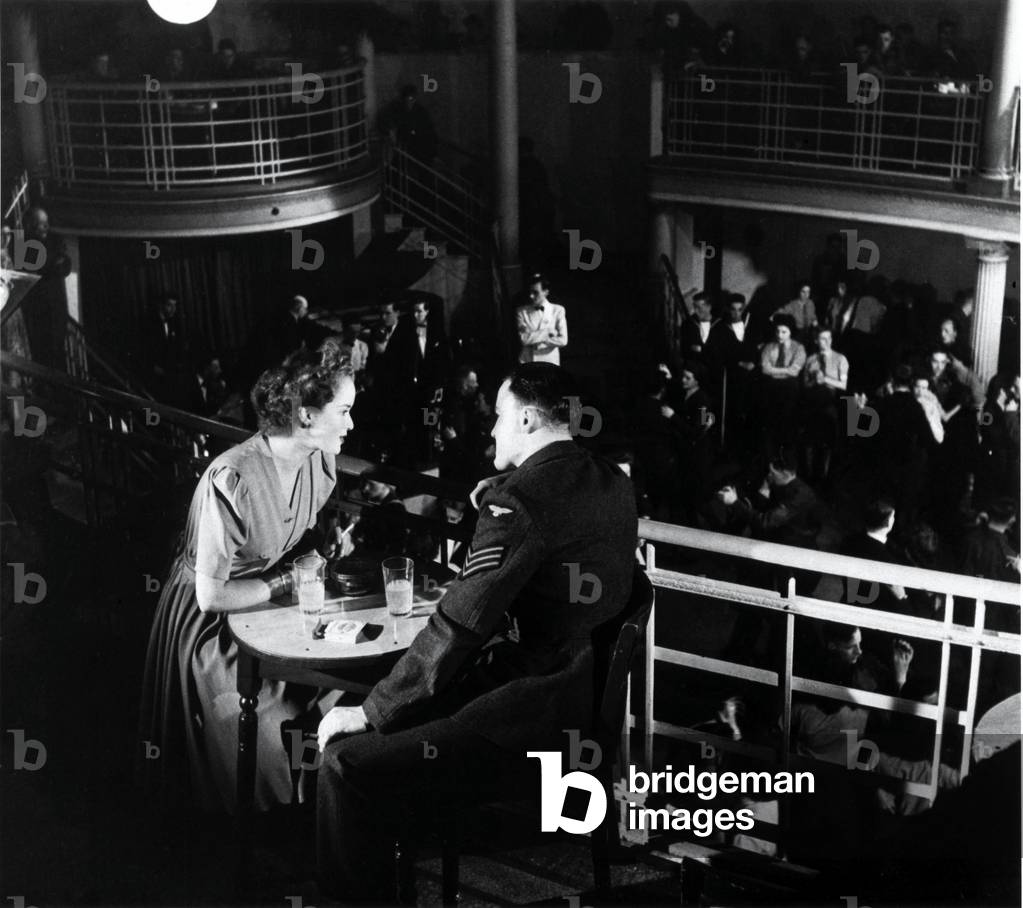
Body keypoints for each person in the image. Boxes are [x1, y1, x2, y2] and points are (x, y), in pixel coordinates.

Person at [315, 363, 638, 903]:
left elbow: (459, 623)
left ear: (530, 420)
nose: (491, 430)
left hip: (522, 722)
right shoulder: (611, 482)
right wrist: (507, 486)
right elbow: (559, 517)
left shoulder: (519, 502)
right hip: (582, 711)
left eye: (500, 416)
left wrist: (369, 711)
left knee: (345, 762)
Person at [138, 346, 357, 813]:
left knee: (334, 679)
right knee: (271, 717)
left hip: (261, 602)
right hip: (207, 621)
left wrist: (320, 553)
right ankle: (267, 826)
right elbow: (212, 593)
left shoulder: (318, 462)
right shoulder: (231, 477)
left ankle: (313, 806)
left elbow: (281, 528)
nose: (351, 424)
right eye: (344, 411)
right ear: (305, 415)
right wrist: (284, 581)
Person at [516, 274, 568, 364]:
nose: (531, 296)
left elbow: (563, 340)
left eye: (535, 292)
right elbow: (523, 339)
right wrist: (548, 332)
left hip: (550, 362)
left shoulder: (558, 310)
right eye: (530, 292)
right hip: (528, 361)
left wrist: (537, 343)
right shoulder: (521, 312)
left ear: (546, 292)